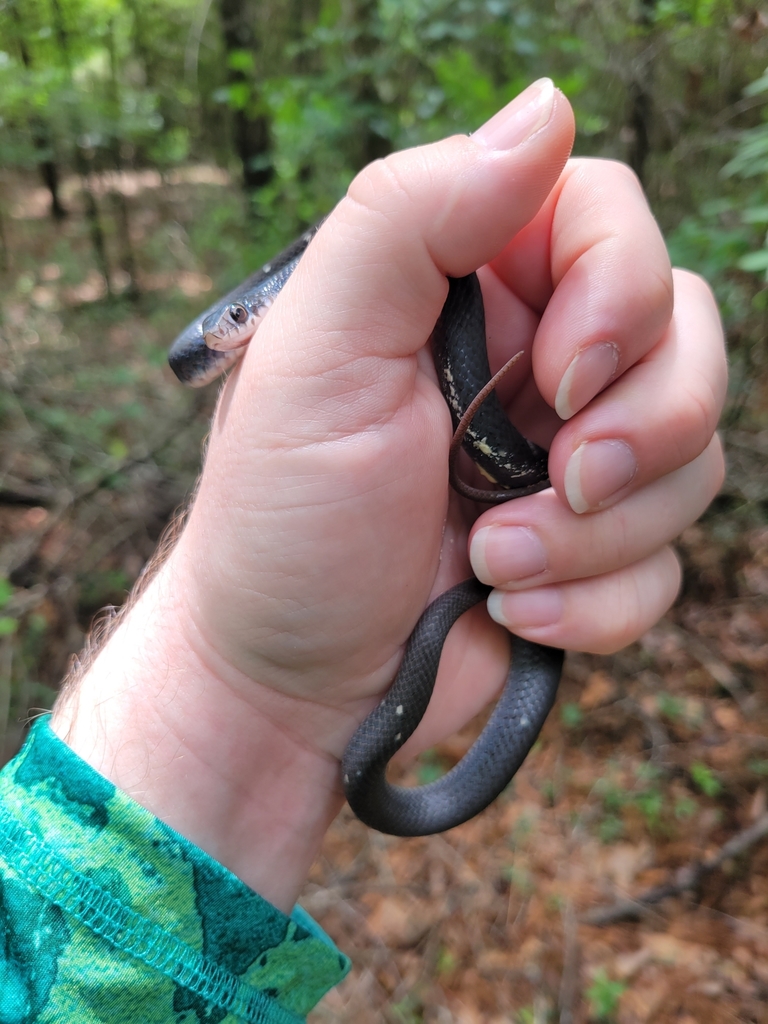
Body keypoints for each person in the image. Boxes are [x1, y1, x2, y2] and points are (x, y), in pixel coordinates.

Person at [0, 80, 726, 1022]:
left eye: (228, 327)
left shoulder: (429, 278)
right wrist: (251, 691)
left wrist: (247, 697)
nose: (219, 345)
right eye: (223, 332)